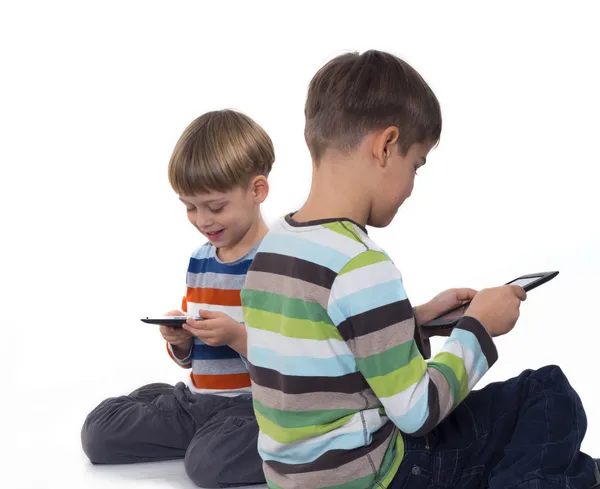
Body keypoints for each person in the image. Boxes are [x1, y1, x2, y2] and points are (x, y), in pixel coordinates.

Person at [240, 50, 599, 489]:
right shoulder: (360, 263)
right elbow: (416, 411)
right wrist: (479, 329)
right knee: (546, 392)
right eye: (416, 165)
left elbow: (319, 350)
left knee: (555, 456)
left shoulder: (275, 246)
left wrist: (416, 318)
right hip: (382, 474)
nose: (412, 186)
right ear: (386, 145)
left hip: (298, 479)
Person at [81, 109, 273, 488]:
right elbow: (196, 360)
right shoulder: (201, 258)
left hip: (251, 407)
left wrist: (237, 336)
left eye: (215, 207)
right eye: (190, 207)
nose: (202, 220)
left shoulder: (277, 260)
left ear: (257, 190)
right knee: (97, 433)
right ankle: (178, 416)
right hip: (197, 402)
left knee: (207, 466)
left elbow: (293, 358)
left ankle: (292, 443)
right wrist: (183, 342)